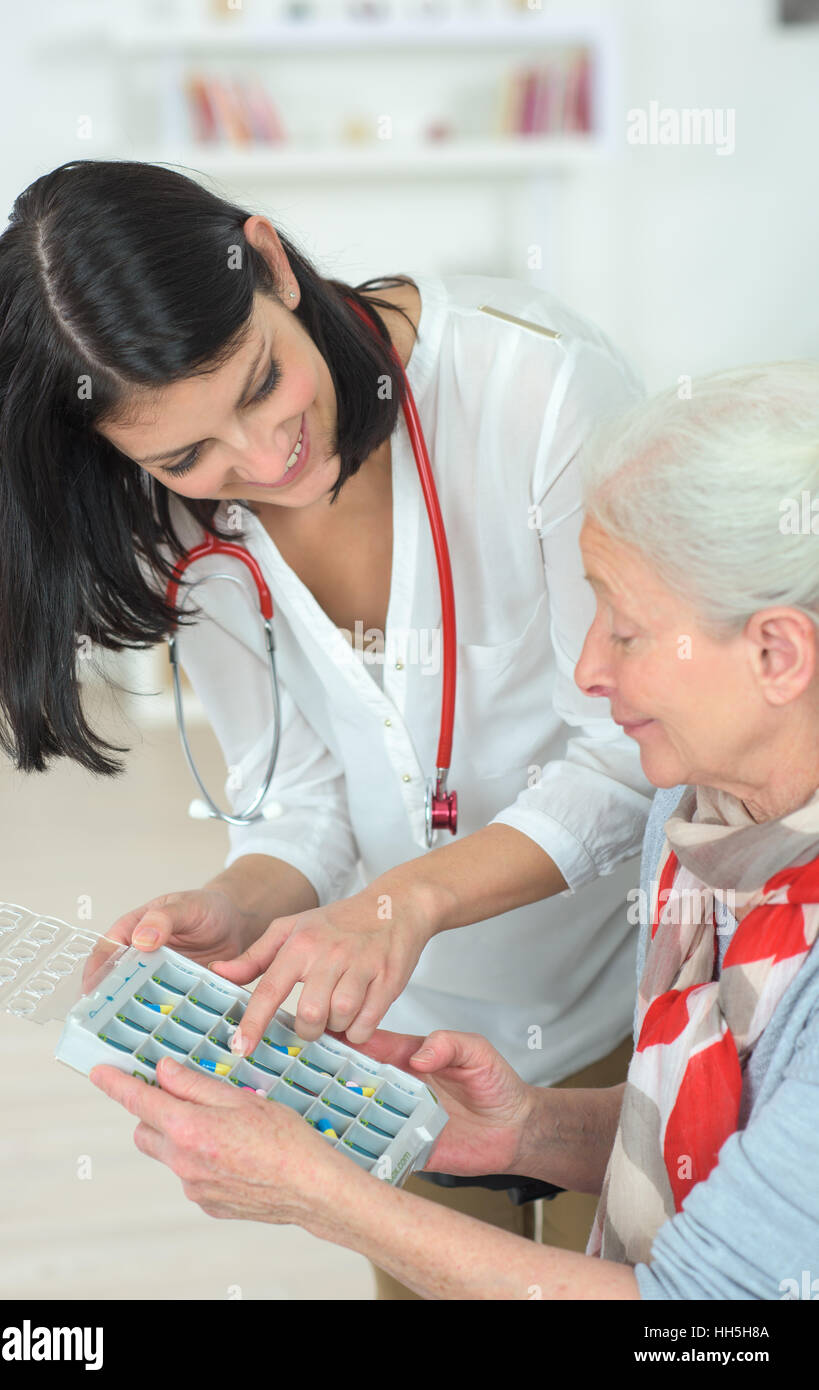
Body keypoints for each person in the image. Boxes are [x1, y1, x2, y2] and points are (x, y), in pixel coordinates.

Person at [0, 159, 652, 1291]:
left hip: (626, 1003)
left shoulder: (540, 389)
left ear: (272, 263)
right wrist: (236, 903)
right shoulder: (178, 516)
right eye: (186, 454)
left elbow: (632, 751)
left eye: (258, 383)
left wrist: (403, 901)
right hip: (399, 1046)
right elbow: (304, 793)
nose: (260, 458)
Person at [91, 359, 819, 1298]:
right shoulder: (698, 821)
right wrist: (529, 1133)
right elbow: (748, 1150)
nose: (587, 671)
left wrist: (325, 1198)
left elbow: (702, 1324)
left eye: (627, 632)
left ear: (774, 653)